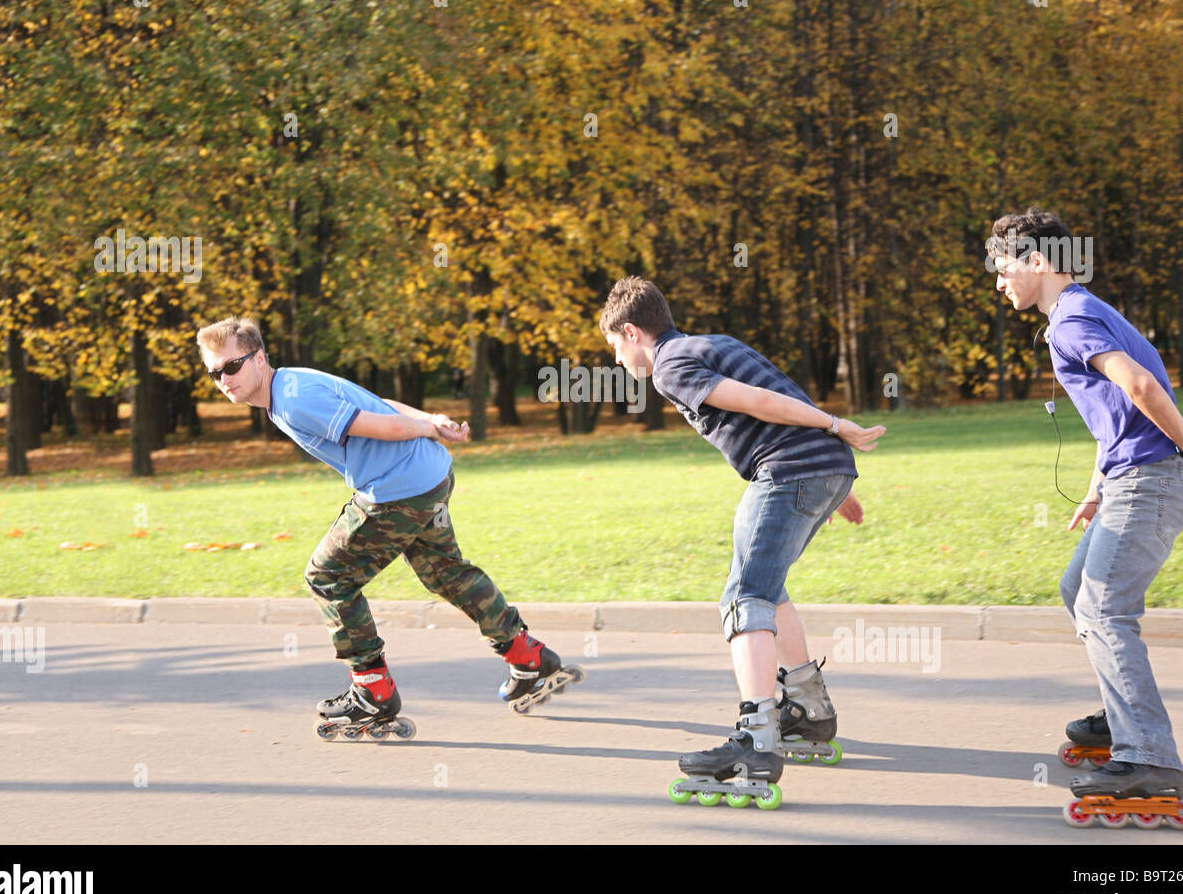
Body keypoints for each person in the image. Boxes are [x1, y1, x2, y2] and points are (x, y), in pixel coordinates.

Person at [195, 316, 581, 734]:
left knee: (327, 576)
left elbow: (384, 425)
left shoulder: (293, 399)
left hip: (398, 489)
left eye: (232, 366)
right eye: (214, 372)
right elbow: (380, 404)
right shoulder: (289, 384)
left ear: (259, 359)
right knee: (446, 573)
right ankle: (528, 659)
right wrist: (430, 421)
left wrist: (423, 426)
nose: (224, 379)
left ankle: (372, 691)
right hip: (429, 476)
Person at [599, 277, 885, 795]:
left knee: (744, 596)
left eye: (616, 348)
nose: (619, 361)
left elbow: (759, 402)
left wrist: (834, 425)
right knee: (767, 587)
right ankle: (807, 710)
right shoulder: (714, 343)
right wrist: (831, 476)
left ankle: (756, 739)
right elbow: (780, 391)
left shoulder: (669, 365)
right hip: (820, 468)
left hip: (794, 468)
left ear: (632, 332)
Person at [987, 207, 1183, 804]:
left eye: (1004, 267)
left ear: (1037, 262)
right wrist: (1095, 491)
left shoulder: (1069, 322)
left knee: (1104, 607)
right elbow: (1114, 417)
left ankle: (1149, 759)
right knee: (1077, 589)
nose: (999, 281)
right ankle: (1125, 720)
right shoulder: (1082, 309)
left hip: (1155, 477)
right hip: (1133, 476)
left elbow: (1139, 385)